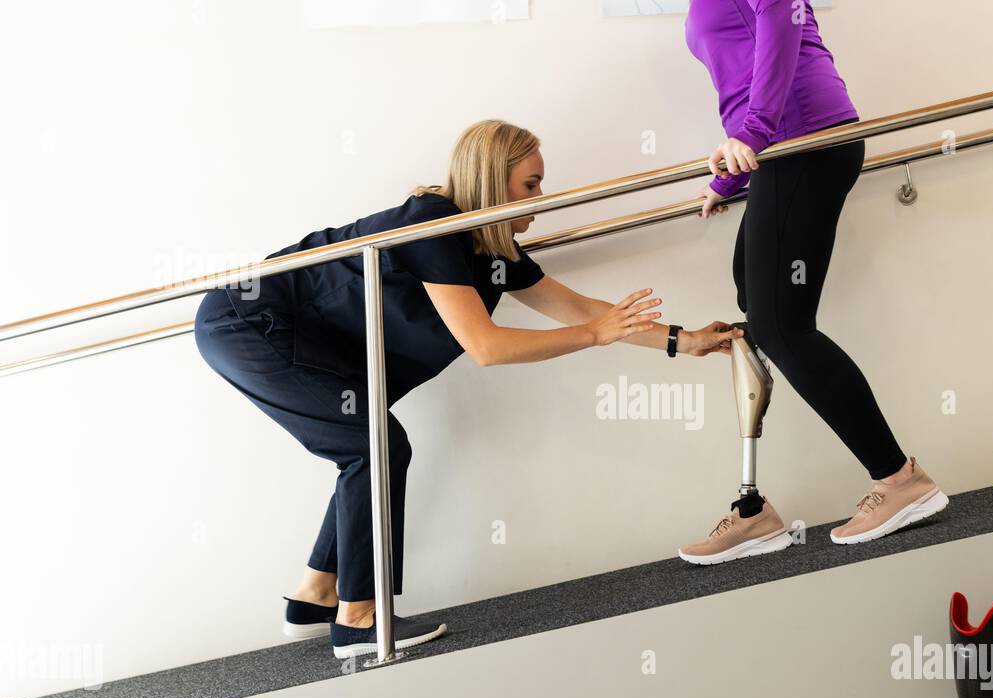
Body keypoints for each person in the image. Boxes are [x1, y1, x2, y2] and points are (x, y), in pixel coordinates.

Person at [195, 119, 741, 657]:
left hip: (280, 330)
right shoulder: (436, 223)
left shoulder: (490, 251)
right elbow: (488, 346)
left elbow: (581, 308)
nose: (540, 197)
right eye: (530, 184)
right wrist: (593, 336)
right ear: (491, 182)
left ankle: (316, 596)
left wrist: (683, 340)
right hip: (249, 320)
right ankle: (358, 616)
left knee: (366, 446)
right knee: (373, 446)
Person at [678, 0, 948, 565]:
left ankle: (899, 480)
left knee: (783, 327)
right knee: (754, 301)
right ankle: (754, 513)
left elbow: (780, 23)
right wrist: (728, 178)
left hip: (804, 139)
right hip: (779, 150)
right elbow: (741, 63)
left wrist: (752, 131)